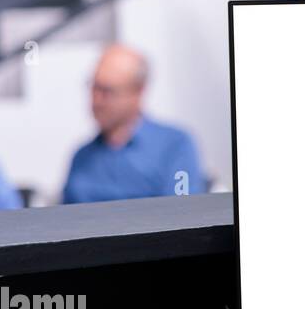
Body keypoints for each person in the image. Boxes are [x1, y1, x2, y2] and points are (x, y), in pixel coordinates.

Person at [63, 45, 206, 203]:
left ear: (138, 92)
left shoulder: (175, 146)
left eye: (107, 91)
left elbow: (184, 213)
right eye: (94, 87)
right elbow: (65, 221)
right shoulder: (82, 157)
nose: (97, 100)